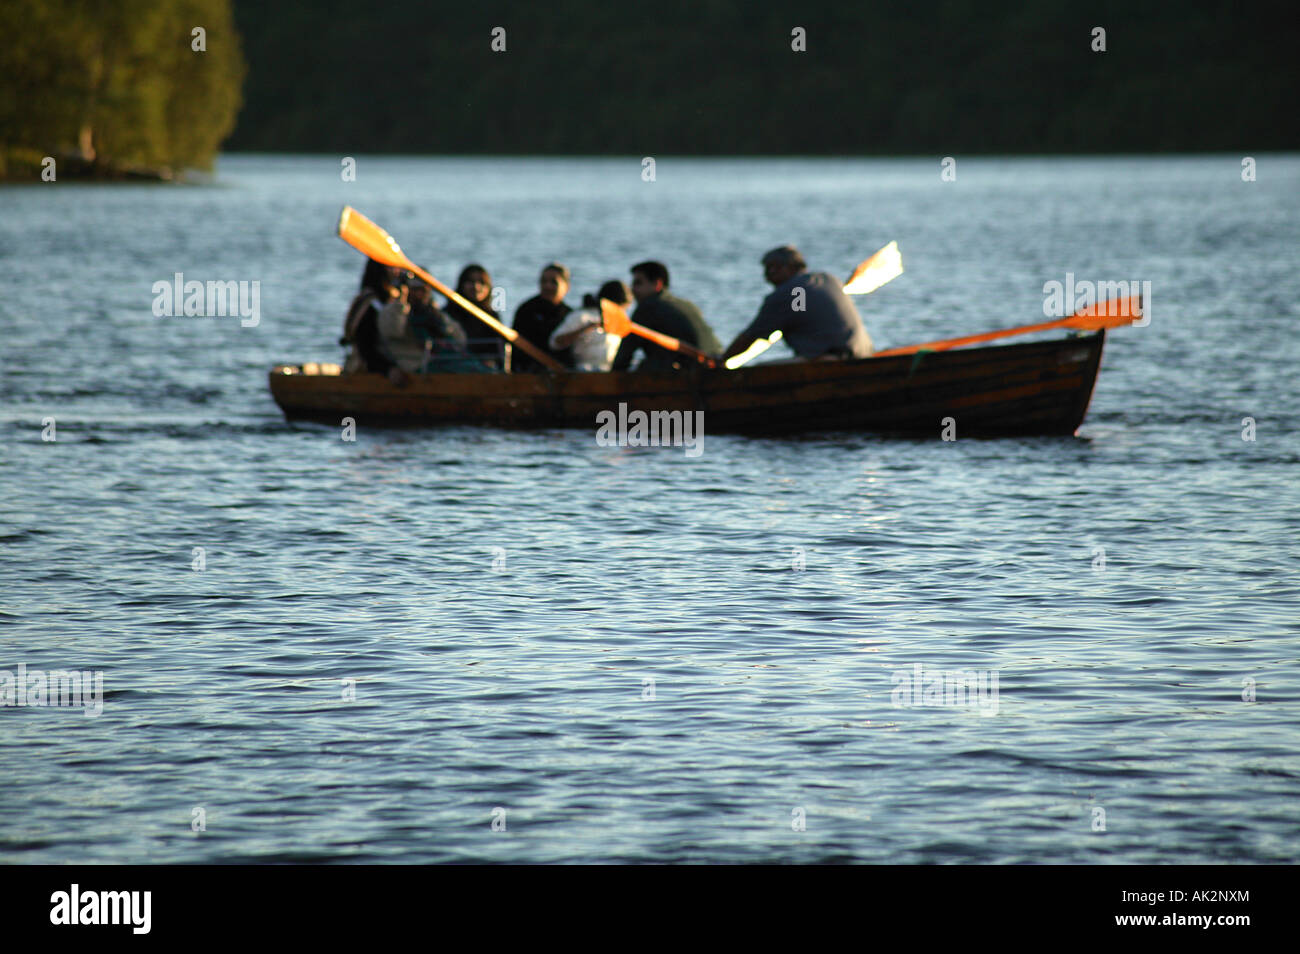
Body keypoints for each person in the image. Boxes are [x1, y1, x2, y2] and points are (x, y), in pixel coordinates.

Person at [721, 245, 873, 365]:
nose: (767, 275)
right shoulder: (829, 279)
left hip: (830, 360)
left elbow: (750, 337)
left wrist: (722, 360)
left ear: (791, 267)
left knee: (755, 372)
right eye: (766, 269)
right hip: (862, 354)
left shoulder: (786, 293)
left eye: (773, 268)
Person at [611, 261, 721, 373]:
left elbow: (623, 358)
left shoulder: (647, 307)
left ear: (657, 284)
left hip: (689, 372)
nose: (632, 289)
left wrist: (612, 379)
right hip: (718, 363)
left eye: (638, 283)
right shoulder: (688, 304)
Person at [342, 258, 407, 384]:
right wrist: (388, 369)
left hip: (397, 358)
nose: (396, 272)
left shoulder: (395, 299)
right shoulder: (369, 303)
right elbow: (364, 345)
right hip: (368, 365)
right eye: (391, 267)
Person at [548, 280, 630, 371]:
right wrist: (586, 328)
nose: (623, 312)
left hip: (609, 372)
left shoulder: (619, 322)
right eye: (622, 308)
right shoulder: (582, 316)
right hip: (583, 371)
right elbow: (554, 343)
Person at [511, 263, 573, 372]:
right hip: (527, 371)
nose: (547, 286)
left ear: (567, 286)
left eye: (554, 282)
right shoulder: (526, 310)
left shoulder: (570, 314)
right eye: (544, 281)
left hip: (561, 372)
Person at [443, 264, 504, 366]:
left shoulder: (492, 317)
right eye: (470, 282)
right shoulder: (448, 313)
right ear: (461, 284)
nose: (476, 287)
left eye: (481, 282)